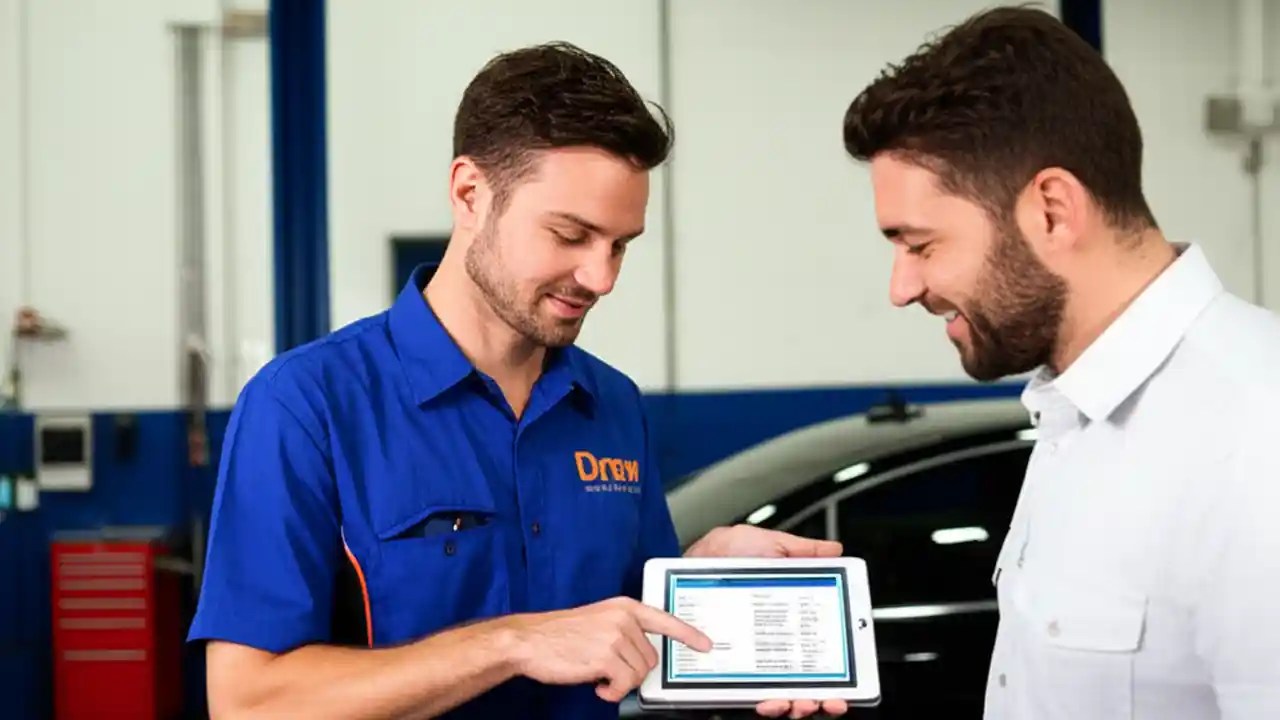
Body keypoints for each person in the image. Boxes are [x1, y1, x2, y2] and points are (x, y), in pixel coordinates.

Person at [189, 42, 847, 720]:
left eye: (620, 244)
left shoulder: (611, 404)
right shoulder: (306, 407)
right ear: (471, 193)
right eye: (570, 234)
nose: (602, 278)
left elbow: (623, 642)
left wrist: (698, 584)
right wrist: (510, 643)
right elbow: (248, 702)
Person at [840, 6, 1280, 719]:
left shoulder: (1257, 434)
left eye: (920, 244)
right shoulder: (1072, 414)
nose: (903, 288)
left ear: (1051, 210)